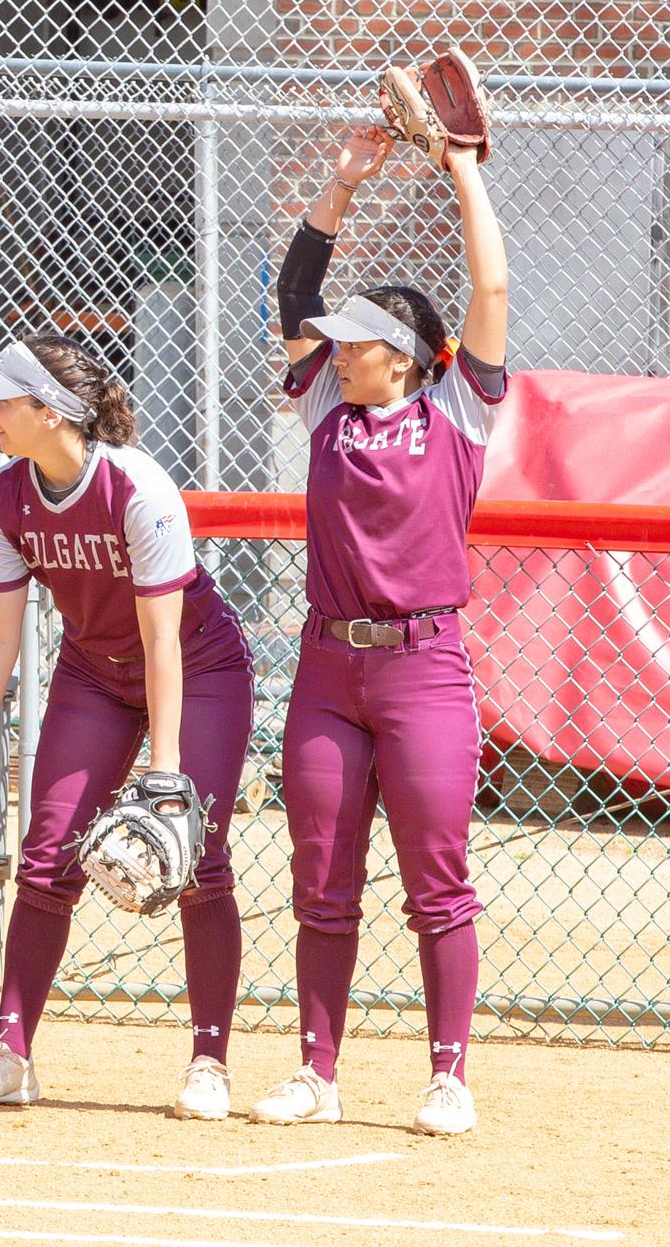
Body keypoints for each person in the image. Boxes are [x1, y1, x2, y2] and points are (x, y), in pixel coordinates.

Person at [0, 332, 256, 1119]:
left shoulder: (137, 488)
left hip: (198, 669)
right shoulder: (3, 497)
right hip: (93, 673)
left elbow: (163, 641)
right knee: (47, 856)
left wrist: (165, 775)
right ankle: (11, 1054)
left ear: (52, 410)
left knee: (197, 858)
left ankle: (209, 1062)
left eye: (4, 400)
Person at [253, 124, 509, 1136]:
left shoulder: (455, 415)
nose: (336, 348)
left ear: (400, 359)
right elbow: (292, 295)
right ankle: (316, 1072)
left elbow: (489, 291)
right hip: (326, 669)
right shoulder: (329, 409)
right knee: (321, 880)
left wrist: (463, 171)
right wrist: (340, 185)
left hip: (423, 668)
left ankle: (448, 1076)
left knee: (437, 883)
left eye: (356, 340)